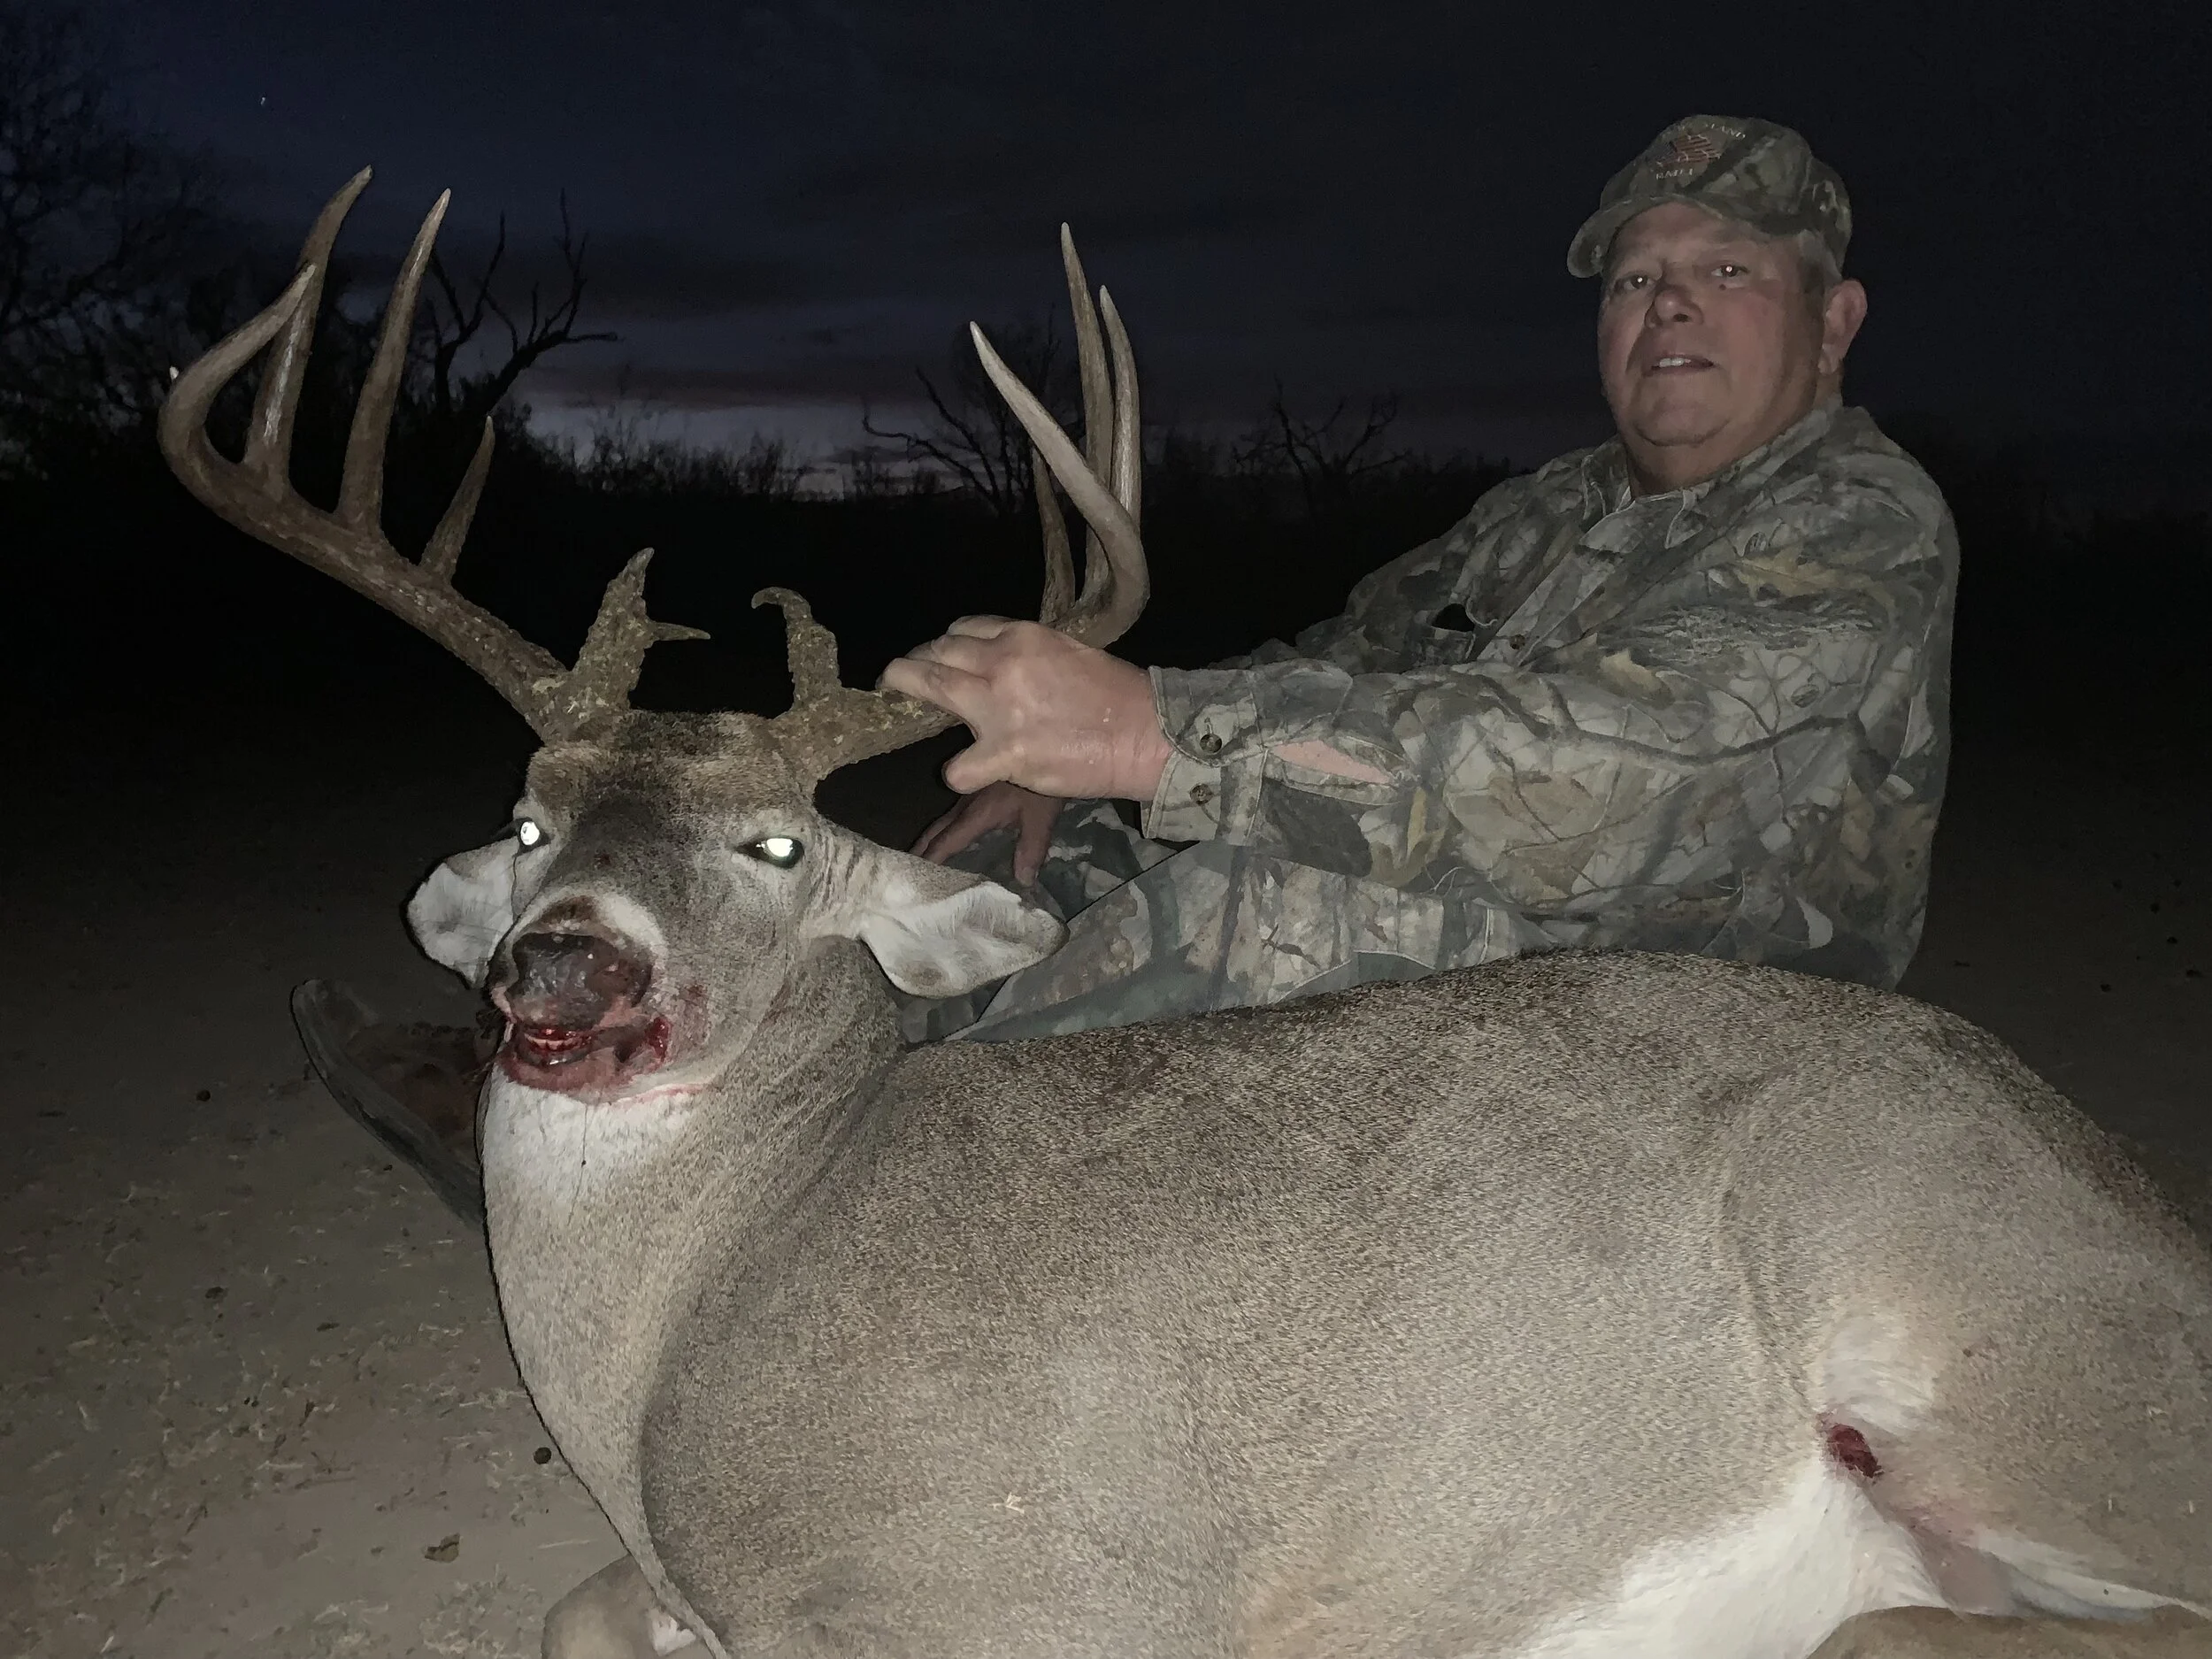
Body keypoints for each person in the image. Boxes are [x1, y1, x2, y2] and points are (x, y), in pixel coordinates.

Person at [878, 112, 1957, 1045]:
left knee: (1276, 901)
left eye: (1728, 270)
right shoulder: (1548, 506)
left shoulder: (1862, 520)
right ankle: (853, 1076)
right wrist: (1079, 764)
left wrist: (1145, 734)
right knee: (1054, 850)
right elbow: (1338, 663)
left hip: (1712, 1021)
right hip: (1511, 941)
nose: (1670, 304)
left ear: (1833, 322)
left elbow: (1617, 781)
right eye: (1637, 279)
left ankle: (934, 1184)